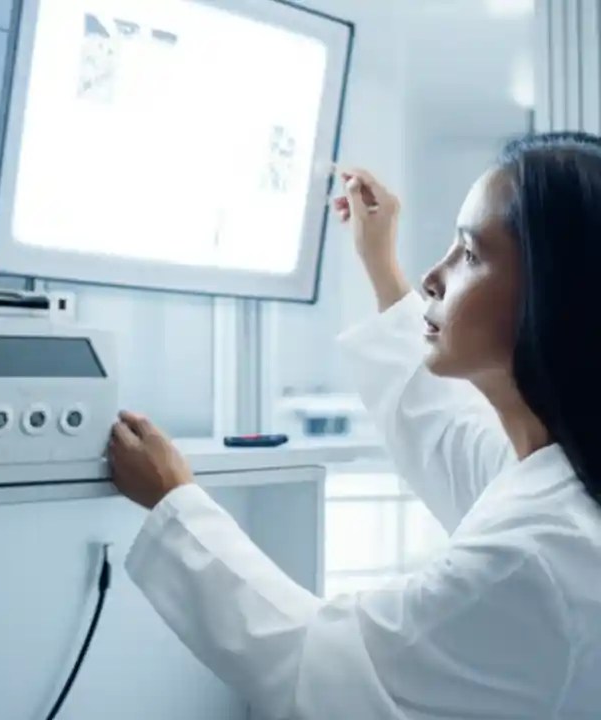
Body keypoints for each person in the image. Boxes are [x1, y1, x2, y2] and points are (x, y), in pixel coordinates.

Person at [108, 133, 601, 719]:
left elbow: (322, 669)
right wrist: (379, 263)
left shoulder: (534, 555)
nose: (432, 279)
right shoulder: (563, 479)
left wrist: (175, 502)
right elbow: (444, 432)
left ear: (551, 295)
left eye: (469, 255)